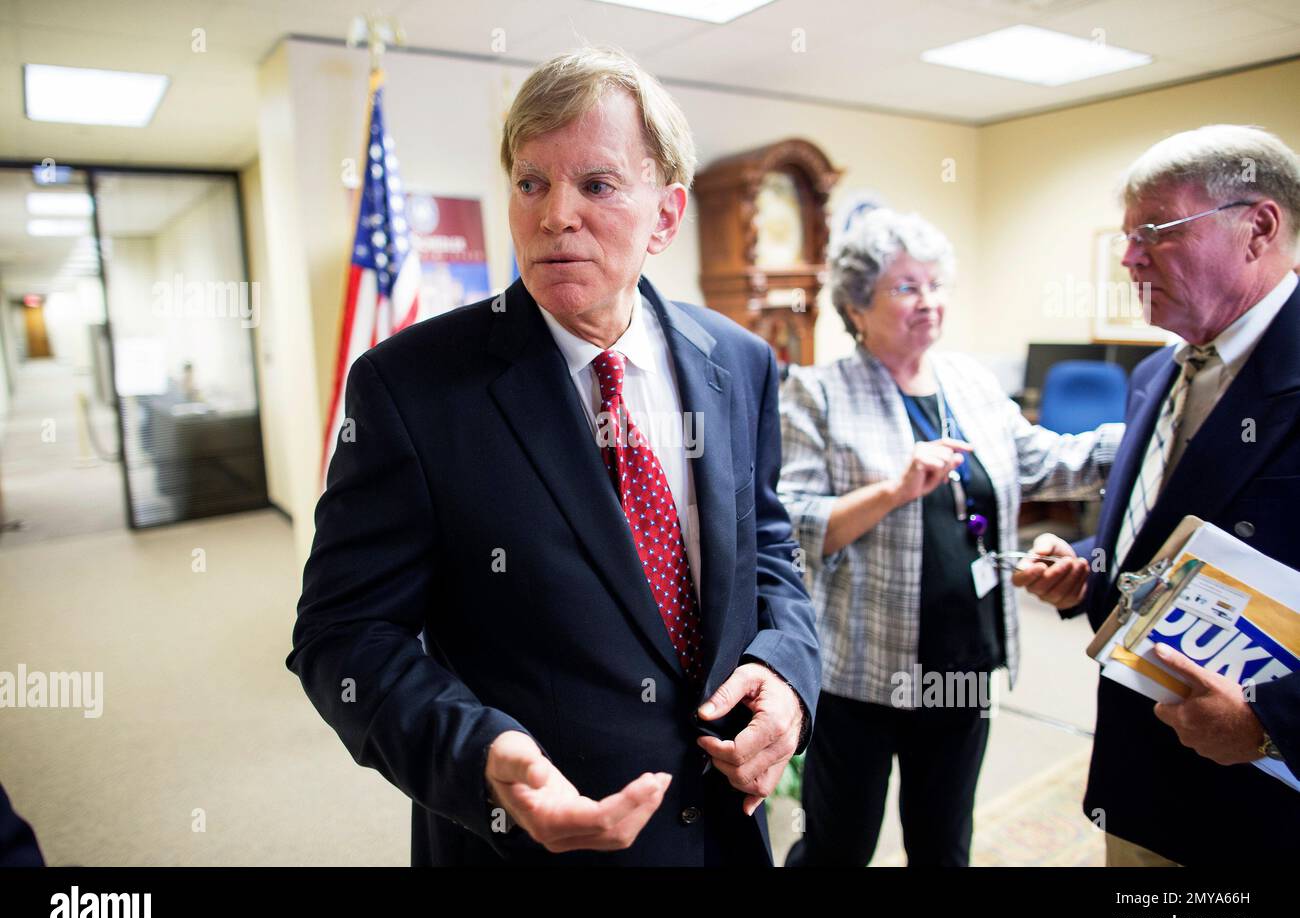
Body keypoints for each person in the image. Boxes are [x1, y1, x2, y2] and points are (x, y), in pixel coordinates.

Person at [287, 47, 819, 866]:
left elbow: (769, 551)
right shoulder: (412, 388)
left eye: (597, 185)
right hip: (529, 844)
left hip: (722, 828)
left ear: (667, 216)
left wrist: (787, 673)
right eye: (531, 182)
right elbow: (342, 633)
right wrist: (476, 754)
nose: (553, 215)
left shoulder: (739, 361)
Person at [779, 208, 1121, 866]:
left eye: (935, 284)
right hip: (861, 671)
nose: (928, 301)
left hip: (963, 659)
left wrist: (1148, 434)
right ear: (856, 306)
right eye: (906, 287)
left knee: (943, 840)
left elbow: (1044, 460)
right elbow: (794, 524)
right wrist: (893, 490)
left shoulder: (969, 382)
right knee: (837, 844)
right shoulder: (817, 394)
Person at [1014, 124, 1300, 866]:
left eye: (1155, 231)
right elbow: (1161, 537)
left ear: (1257, 228)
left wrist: (1274, 723)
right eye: (1126, 235)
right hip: (1144, 780)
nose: (1129, 257)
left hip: (1264, 803)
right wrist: (1085, 567)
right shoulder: (1157, 374)